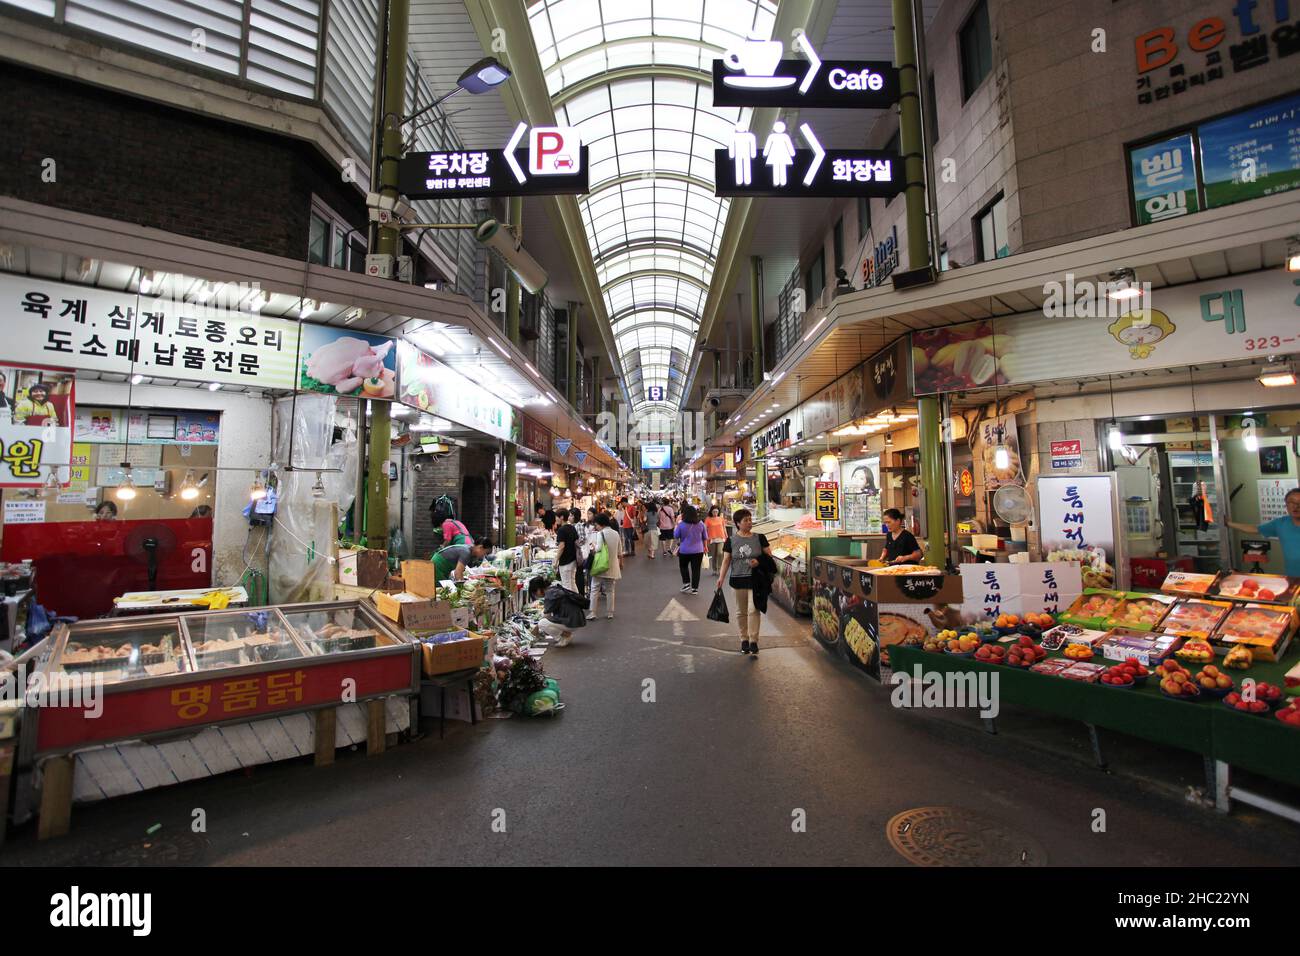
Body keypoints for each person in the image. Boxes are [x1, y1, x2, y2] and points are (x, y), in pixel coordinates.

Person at [714, 508, 774, 656]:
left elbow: (769, 556)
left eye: (750, 519)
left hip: (756, 580)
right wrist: (721, 578)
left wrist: (759, 561)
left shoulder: (760, 538)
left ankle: (753, 641)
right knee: (741, 612)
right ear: (738, 524)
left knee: (754, 610)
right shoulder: (731, 541)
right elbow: (726, 560)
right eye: (745, 520)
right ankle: (744, 639)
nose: (749, 522)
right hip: (737, 580)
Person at [1228, 488, 1300, 577]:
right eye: (1291, 502)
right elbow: (1254, 528)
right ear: (1286, 504)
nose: (1296, 506)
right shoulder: (1280, 523)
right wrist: (1229, 524)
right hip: (1293, 577)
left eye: (1299, 503)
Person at [588, 512, 623, 620]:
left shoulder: (600, 534)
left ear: (601, 524)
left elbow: (598, 549)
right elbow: (619, 551)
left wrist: (592, 546)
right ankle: (610, 613)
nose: (596, 527)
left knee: (594, 589)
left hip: (600, 566)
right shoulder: (616, 533)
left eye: (596, 525)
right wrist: (621, 563)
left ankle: (593, 612)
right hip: (612, 566)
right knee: (610, 590)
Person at [674, 504, 708, 594]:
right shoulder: (701, 524)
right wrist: (705, 547)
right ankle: (695, 589)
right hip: (698, 550)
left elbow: (676, 535)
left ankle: (686, 584)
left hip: (685, 550)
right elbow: (705, 537)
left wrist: (676, 526)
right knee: (696, 569)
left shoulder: (681, 524)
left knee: (683, 567)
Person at [555, 508, 580, 592]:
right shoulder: (572, 528)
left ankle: (570, 604)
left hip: (565, 561)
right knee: (572, 583)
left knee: (566, 585)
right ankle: (578, 603)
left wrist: (555, 560)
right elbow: (577, 542)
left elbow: (562, 546)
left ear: (561, 517)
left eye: (557, 517)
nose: (556, 519)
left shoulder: (561, 530)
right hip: (573, 560)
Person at [705, 505, 727, 575]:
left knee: (720, 553)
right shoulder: (708, 519)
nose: (715, 513)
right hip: (712, 538)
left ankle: (719, 568)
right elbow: (705, 529)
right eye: (714, 511)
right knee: (714, 554)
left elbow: (724, 528)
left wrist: (726, 536)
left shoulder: (721, 518)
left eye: (717, 511)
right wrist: (705, 538)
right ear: (711, 512)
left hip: (721, 538)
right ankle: (714, 569)